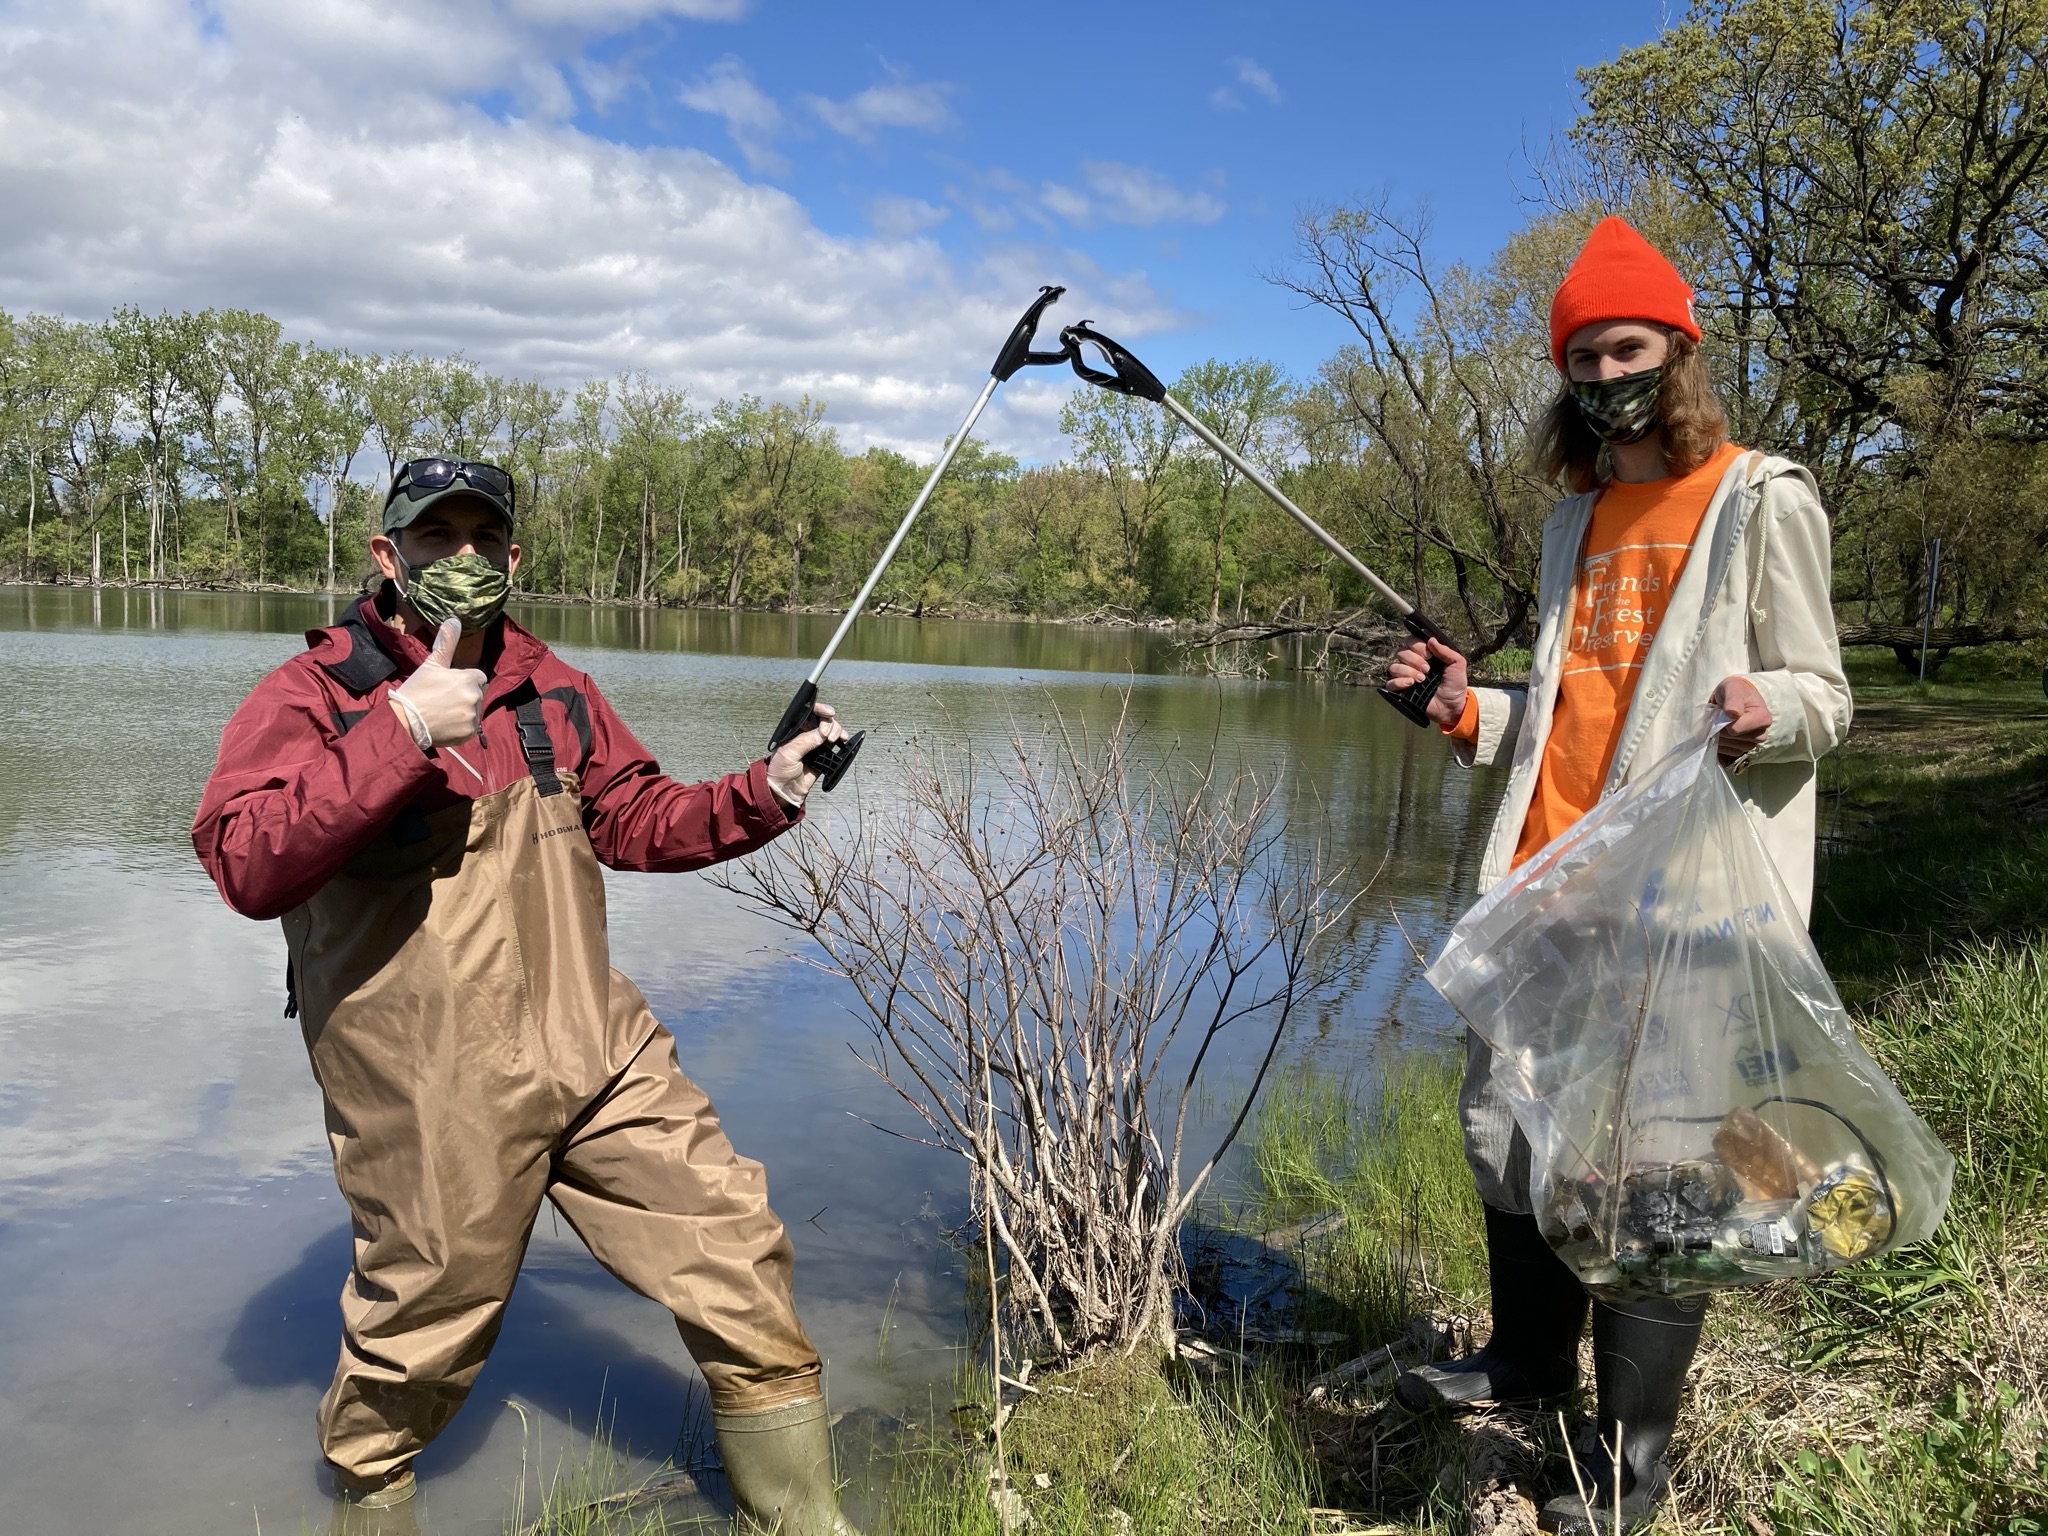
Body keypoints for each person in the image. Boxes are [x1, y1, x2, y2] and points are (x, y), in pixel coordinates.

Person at [192, 458, 861, 1535]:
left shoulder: (551, 684)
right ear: (386, 554)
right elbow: (242, 861)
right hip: (427, 1081)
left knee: (735, 1251)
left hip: (594, 1044)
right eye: (432, 537)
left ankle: (800, 1524)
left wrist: (766, 790)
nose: (458, 557)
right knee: (417, 1336)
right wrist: (399, 731)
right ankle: (367, 1498)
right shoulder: (314, 693)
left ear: (511, 556)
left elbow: (638, 817)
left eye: (479, 538)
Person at [1385, 219, 1852, 1534]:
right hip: (1545, 886)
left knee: (1652, 1184)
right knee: (1512, 1139)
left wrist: (1775, 705)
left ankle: (1620, 1477)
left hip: (1688, 908)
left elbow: (1828, 693)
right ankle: (1525, 1366)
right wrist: (1469, 715)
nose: (1605, 372)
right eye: (1582, 354)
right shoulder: (1572, 520)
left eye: (1628, 347)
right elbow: (1569, 704)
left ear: (1680, 351)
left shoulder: (1764, 497)